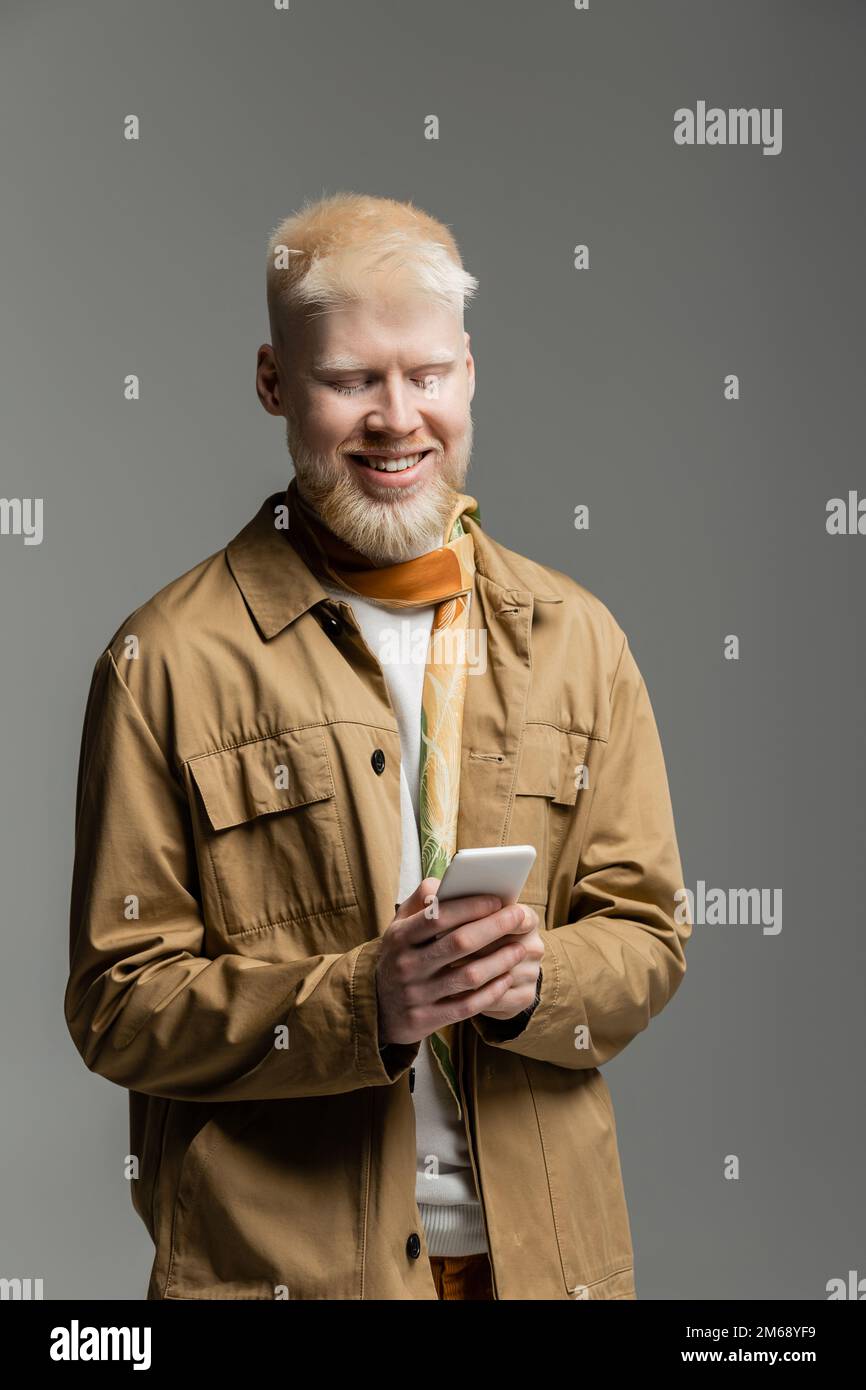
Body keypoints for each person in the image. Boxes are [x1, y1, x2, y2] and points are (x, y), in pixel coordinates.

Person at [65, 192, 691, 1301]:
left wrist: (532, 979)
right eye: (350, 379)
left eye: (426, 375)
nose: (397, 419)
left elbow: (647, 936)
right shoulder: (163, 660)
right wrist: (363, 1005)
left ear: (468, 373)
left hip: (542, 1272)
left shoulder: (577, 640)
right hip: (282, 1280)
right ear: (273, 383)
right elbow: (120, 1003)